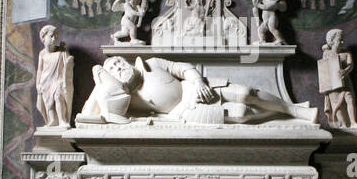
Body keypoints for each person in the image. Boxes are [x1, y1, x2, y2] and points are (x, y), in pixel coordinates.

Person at [76, 55, 317, 125]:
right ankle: (279, 114)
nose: (118, 68)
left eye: (118, 62)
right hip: (185, 113)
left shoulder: (151, 64)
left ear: (128, 61)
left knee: (246, 93)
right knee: (241, 114)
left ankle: (293, 110)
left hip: (194, 87)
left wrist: (199, 82)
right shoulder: (128, 98)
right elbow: (97, 107)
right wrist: (101, 78)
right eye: (113, 69)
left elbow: (182, 68)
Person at [35, 24, 74, 128]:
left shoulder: (62, 52)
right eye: (51, 36)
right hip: (46, 81)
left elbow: (68, 66)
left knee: (58, 96)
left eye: (56, 36)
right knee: (48, 102)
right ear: (43, 38)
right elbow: (40, 70)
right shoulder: (42, 54)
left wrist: (68, 59)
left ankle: (62, 120)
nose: (54, 38)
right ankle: (53, 120)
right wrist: (38, 84)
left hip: (58, 80)